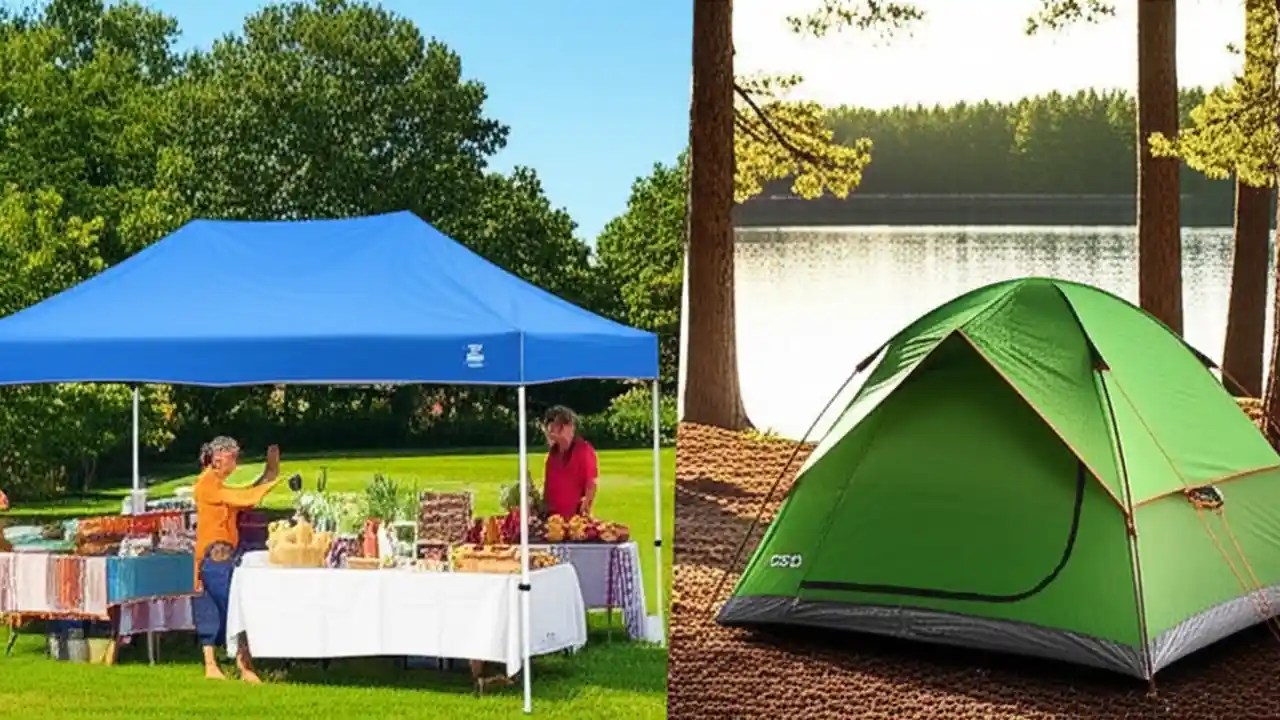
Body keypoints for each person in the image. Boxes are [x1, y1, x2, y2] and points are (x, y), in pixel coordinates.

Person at [192, 436, 281, 682]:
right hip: (214, 560)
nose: (236, 462)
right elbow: (246, 498)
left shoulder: (218, 487)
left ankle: (215, 666)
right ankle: (244, 666)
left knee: (211, 609)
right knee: (235, 609)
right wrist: (272, 478)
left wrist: (269, 474)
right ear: (218, 457)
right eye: (233, 457)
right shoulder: (207, 484)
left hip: (216, 560)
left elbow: (242, 496)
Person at [541, 405, 599, 519]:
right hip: (553, 521)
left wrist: (585, 506)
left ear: (570, 427)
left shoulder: (583, 450)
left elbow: (591, 483)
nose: (552, 429)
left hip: (575, 520)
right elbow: (548, 490)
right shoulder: (552, 455)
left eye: (557, 424)